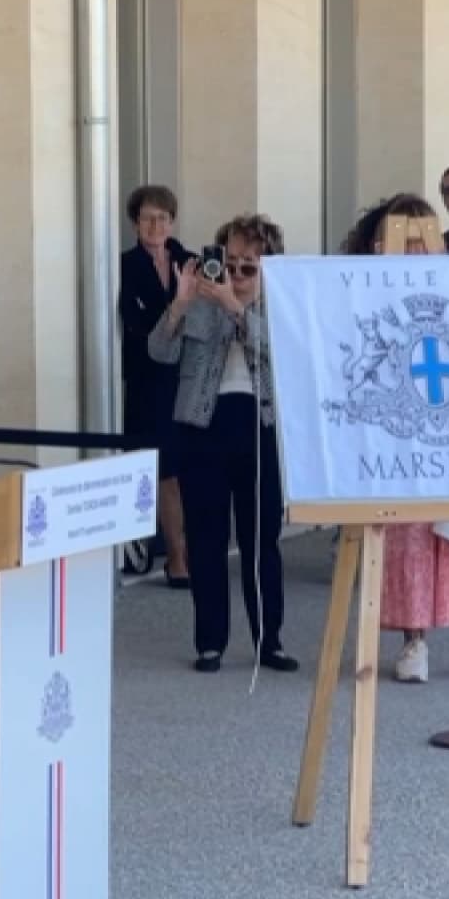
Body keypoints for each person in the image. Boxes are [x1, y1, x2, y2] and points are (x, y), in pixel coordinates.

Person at [342, 194, 449, 684]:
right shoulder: (362, 289)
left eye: (425, 233)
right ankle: (412, 641)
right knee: (410, 540)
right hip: (398, 438)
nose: (417, 245)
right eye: (405, 234)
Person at [147, 213, 291, 673]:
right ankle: (210, 641)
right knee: (206, 538)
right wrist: (180, 304)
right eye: (229, 264)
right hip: (200, 426)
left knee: (260, 537)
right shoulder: (199, 301)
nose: (236, 276)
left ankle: (270, 641)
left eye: (248, 267)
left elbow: (282, 353)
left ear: (267, 267)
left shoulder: (279, 306)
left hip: (257, 424)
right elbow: (158, 352)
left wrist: (235, 306)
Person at [119, 185, 193, 586]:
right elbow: (136, 322)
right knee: (165, 469)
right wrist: (175, 310)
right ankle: (176, 556)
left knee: (188, 467)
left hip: (188, 376)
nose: (155, 225)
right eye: (147, 217)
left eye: (162, 217)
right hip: (148, 378)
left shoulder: (191, 262)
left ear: (172, 221)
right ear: (135, 223)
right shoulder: (125, 266)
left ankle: (186, 550)